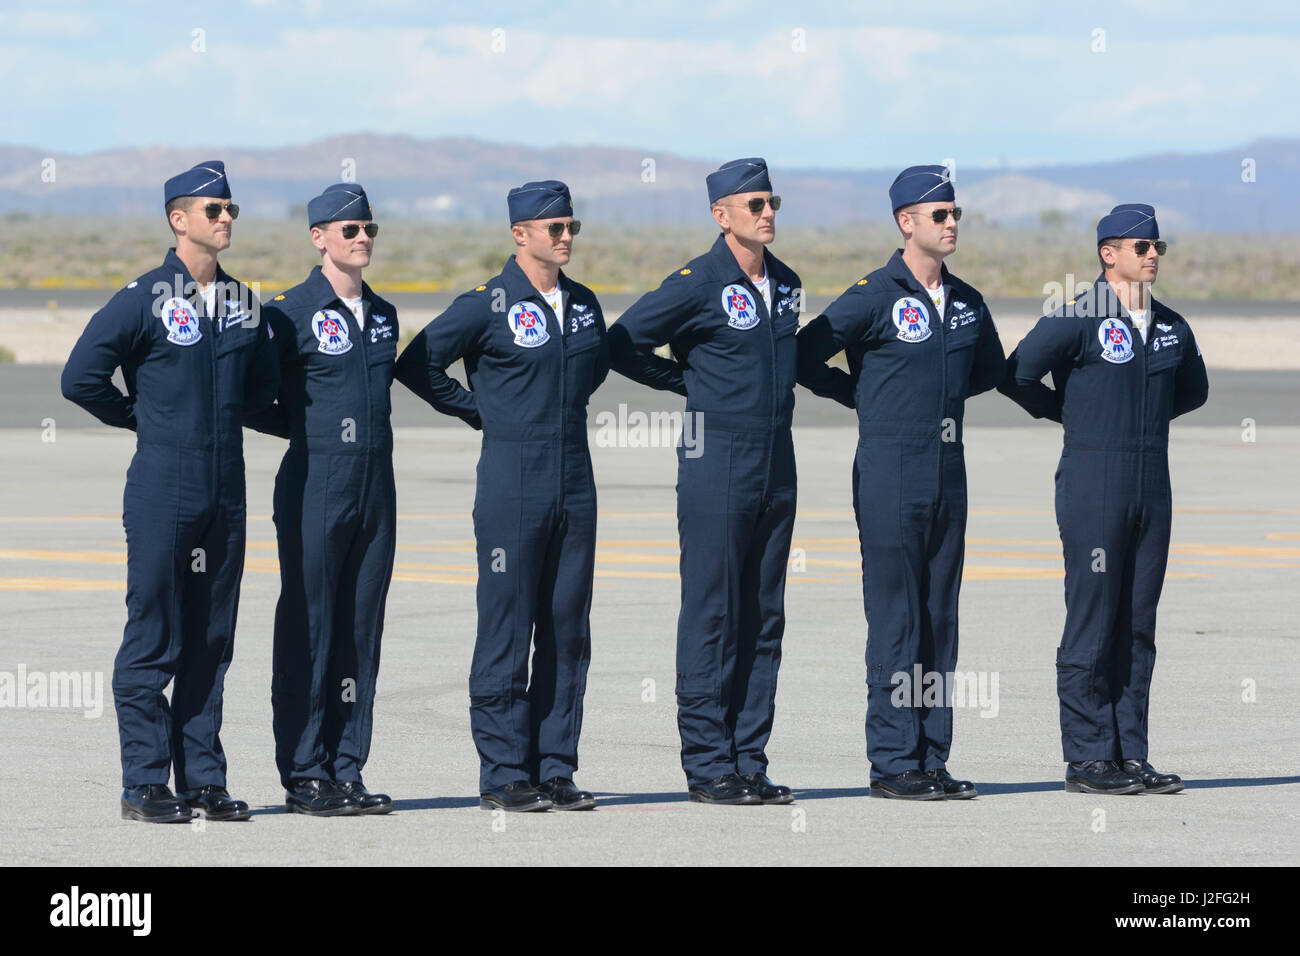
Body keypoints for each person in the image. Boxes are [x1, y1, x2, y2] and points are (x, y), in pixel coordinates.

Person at [61, 160, 277, 822]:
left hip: (226, 491)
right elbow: (81, 378)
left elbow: (261, 393)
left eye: (231, 210)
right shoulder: (143, 297)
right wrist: (142, 420)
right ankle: (146, 782)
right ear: (179, 220)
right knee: (154, 633)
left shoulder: (244, 303)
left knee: (212, 638)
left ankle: (204, 780)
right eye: (214, 211)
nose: (227, 219)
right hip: (164, 486)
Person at [395, 180, 608, 812]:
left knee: (568, 630)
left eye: (571, 226)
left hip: (575, 479)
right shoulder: (487, 304)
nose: (565, 237)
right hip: (513, 484)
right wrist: (478, 409)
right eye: (554, 228)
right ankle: (504, 770)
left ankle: (555, 767)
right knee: (508, 627)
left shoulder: (586, 304)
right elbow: (418, 364)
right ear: (520, 234)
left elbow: (589, 370)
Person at [796, 165, 1005, 800]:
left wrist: (929, 398)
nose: (951, 223)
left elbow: (987, 370)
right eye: (938, 214)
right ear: (905, 222)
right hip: (889, 469)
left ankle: (931, 757)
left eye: (955, 213)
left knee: (941, 619)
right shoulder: (872, 295)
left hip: (948, 470)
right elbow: (807, 356)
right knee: (898, 619)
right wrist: (864, 395)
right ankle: (893, 762)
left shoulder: (967, 300)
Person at [608, 157, 800, 806]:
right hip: (716, 463)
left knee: (764, 616)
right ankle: (709, 765)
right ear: (722, 216)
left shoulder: (788, 283)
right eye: (754, 205)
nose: (768, 213)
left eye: (772, 202)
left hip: (777, 467)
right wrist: (687, 385)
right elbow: (623, 342)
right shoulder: (697, 283)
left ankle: (749, 759)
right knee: (713, 612)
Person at [998, 203, 1207, 795]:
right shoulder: (1077, 317)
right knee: (1093, 620)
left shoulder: (1170, 325)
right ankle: (1088, 758)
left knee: (1138, 624)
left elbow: (1196, 390)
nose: (1152, 256)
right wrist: (1074, 416)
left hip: (1151, 483)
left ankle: (1130, 753)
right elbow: (1015, 375)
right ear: (1107, 254)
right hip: (1094, 480)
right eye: (1141, 248)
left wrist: (1139, 419)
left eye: (1157, 248)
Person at [247, 183, 398, 816]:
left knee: (360, 630)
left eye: (368, 229)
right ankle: (304, 771)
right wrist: (313, 433)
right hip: (315, 481)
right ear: (319, 238)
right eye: (348, 230)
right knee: (310, 624)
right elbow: (253, 399)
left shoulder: (384, 313)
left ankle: (347, 767)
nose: (361, 238)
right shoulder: (286, 312)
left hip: (376, 485)